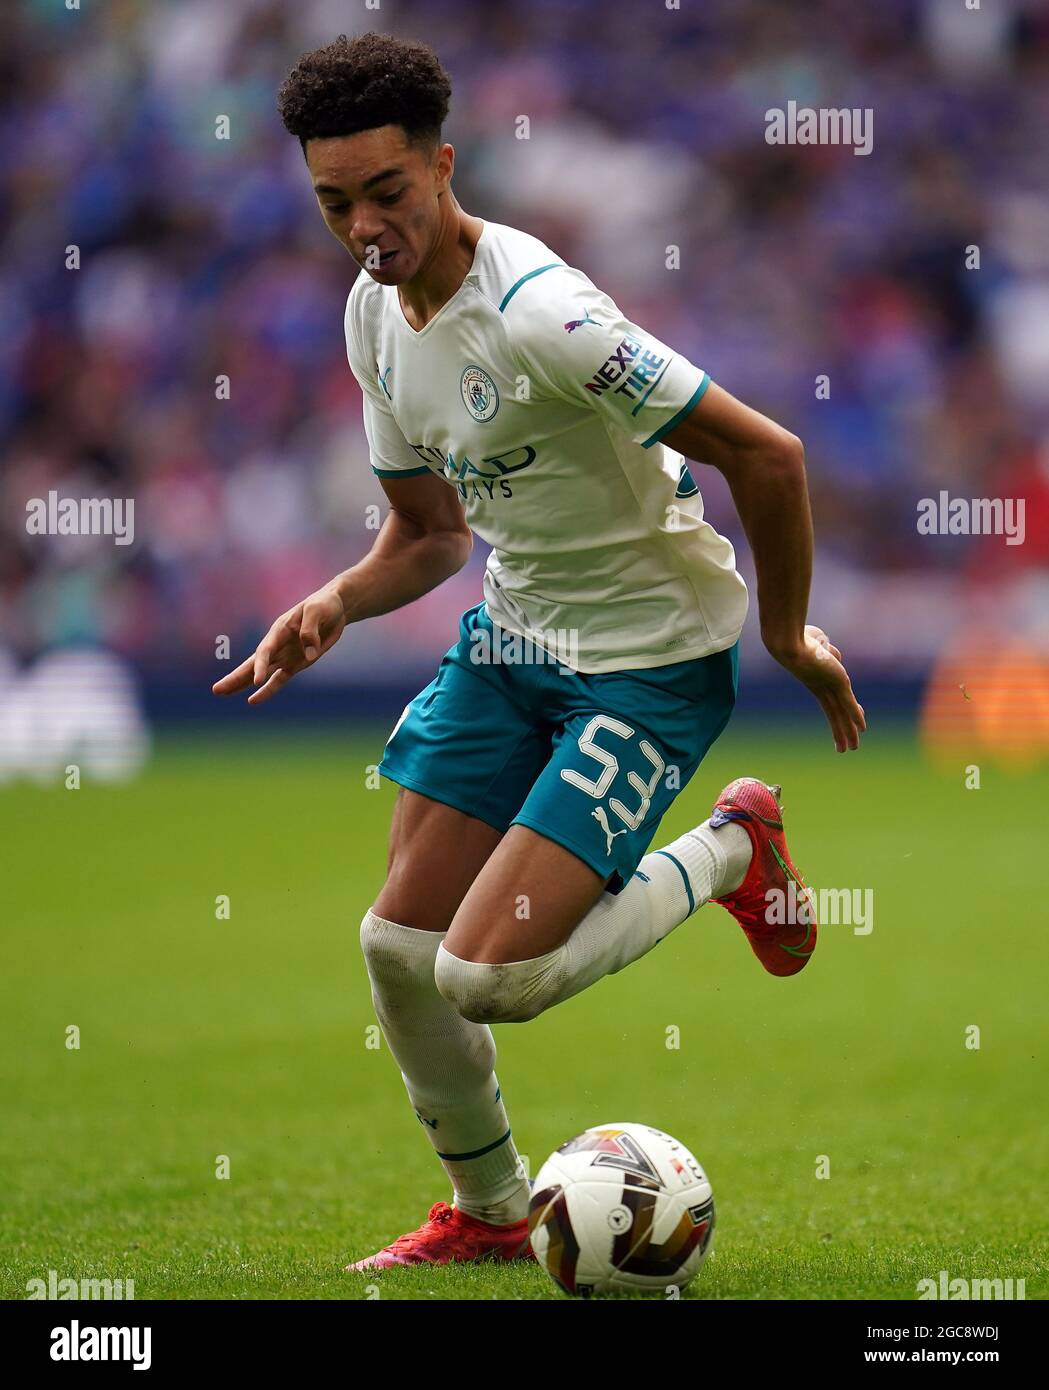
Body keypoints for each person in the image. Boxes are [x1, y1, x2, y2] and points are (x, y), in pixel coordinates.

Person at [214, 31, 865, 1270]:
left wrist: (783, 634)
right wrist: (337, 602)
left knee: (485, 976)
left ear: (444, 166)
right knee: (396, 951)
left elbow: (766, 452)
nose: (362, 225)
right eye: (334, 202)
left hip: (647, 655)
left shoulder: (544, 315)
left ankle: (731, 847)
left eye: (387, 192)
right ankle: (493, 1211)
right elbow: (427, 533)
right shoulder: (372, 316)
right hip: (515, 638)